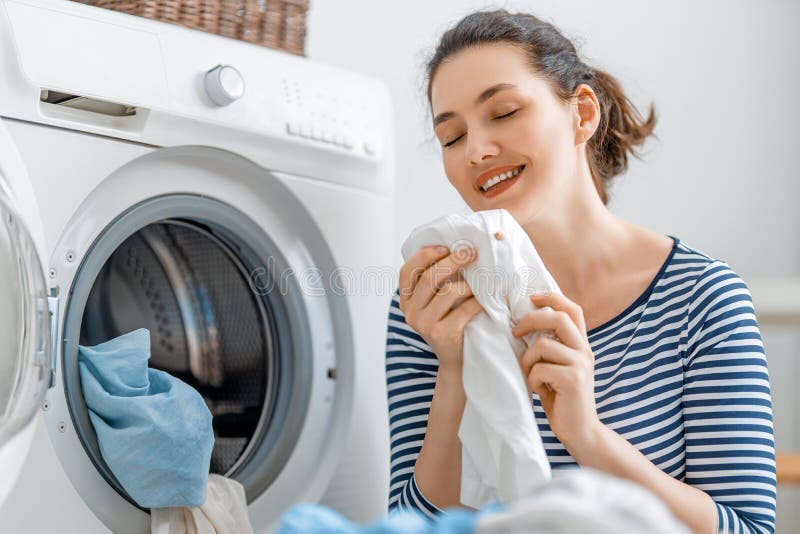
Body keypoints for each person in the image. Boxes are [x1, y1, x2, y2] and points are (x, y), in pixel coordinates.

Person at [386, 9, 776, 534]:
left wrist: (586, 434)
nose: (476, 150)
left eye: (503, 112)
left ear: (583, 113)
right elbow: (408, 526)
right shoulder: (434, 302)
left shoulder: (702, 299)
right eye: (452, 137)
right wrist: (455, 370)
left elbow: (749, 528)